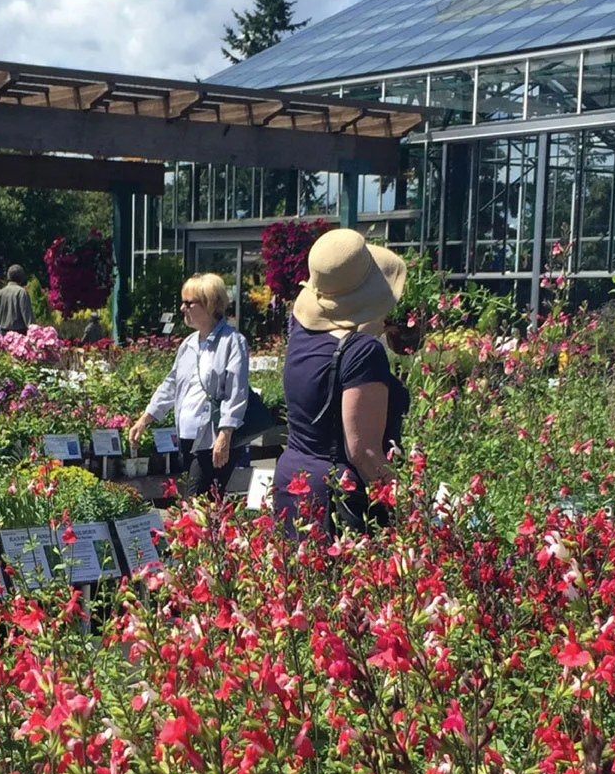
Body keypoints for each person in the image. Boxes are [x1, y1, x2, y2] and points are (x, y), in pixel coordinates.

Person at [272, 228, 407, 540]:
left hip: (293, 479)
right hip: (337, 496)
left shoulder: (301, 332)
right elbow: (363, 451)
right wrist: (408, 508)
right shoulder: (363, 352)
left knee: (298, 585)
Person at [129, 272, 249, 498]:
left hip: (212, 439)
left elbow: (236, 391)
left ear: (210, 304)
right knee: (203, 507)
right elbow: (172, 384)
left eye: (188, 303)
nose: (182, 308)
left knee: (198, 503)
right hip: (187, 437)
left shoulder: (232, 342)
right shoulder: (189, 344)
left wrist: (225, 434)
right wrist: (145, 419)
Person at [0, 265, 33, 335]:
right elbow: (27, 316)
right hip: (19, 334)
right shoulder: (21, 292)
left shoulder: (0, 292)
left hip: (3, 333)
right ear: (21, 277)